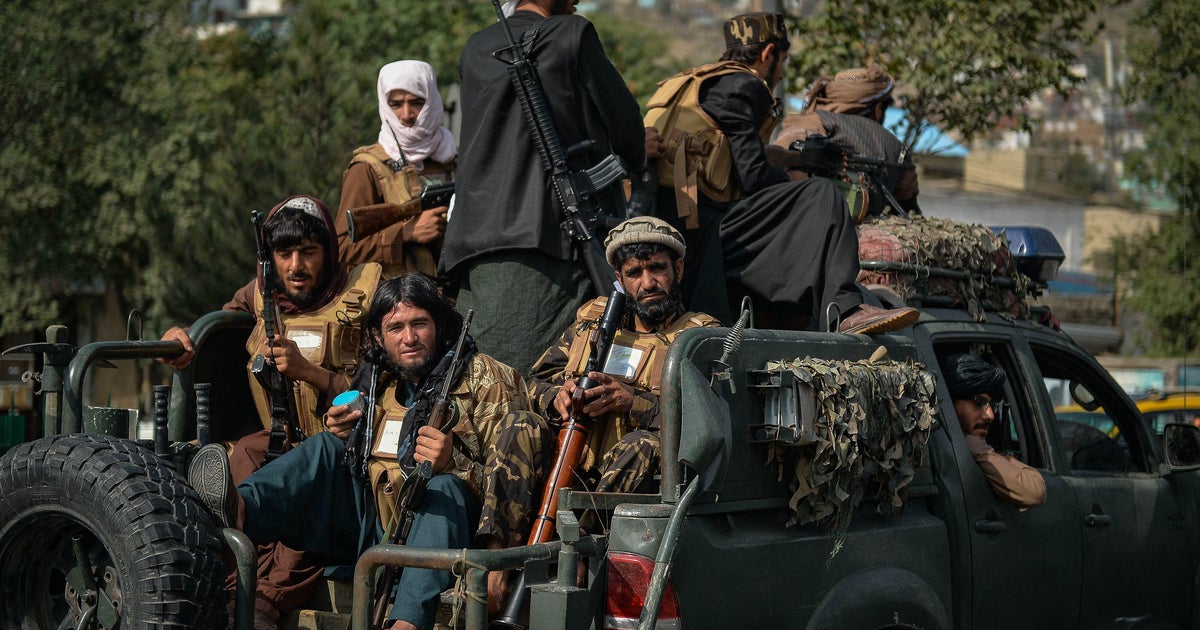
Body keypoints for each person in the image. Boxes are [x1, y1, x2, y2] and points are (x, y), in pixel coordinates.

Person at [189, 273, 548, 630]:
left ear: (438, 325)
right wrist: (344, 432)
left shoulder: (487, 379)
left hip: (446, 537)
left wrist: (453, 464)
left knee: (443, 489)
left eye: (420, 324)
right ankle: (240, 510)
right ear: (378, 335)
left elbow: (513, 489)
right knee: (325, 449)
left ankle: (407, 622)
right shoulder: (377, 379)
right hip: (372, 525)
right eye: (396, 328)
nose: (409, 338)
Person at [161, 195, 382, 629]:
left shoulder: (366, 295)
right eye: (285, 254)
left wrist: (311, 373)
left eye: (308, 252)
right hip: (279, 441)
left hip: (347, 456)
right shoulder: (261, 294)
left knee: (309, 475)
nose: (296, 266)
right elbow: (220, 327)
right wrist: (180, 337)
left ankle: (264, 601)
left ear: (328, 253)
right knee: (243, 454)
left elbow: (382, 391)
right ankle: (222, 580)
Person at [644, 12, 919, 333]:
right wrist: (796, 187)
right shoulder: (745, 85)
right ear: (768, 54)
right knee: (822, 195)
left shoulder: (698, 82)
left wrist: (790, 159)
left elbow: (733, 152)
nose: (780, 73)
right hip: (706, 231)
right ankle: (845, 309)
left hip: (672, 220)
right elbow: (754, 177)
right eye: (783, 60)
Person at [442, 0, 648, 373]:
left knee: (481, 381)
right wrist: (642, 158)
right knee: (537, 384)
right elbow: (626, 126)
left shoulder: (474, 47)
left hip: (475, 245)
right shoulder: (572, 33)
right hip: (550, 241)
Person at [528, 217, 720, 499]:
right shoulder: (592, 322)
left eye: (657, 268)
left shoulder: (698, 339)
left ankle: (593, 537)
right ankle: (503, 542)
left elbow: (708, 422)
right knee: (518, 423)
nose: (648, 283)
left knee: (642, 444)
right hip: (569, 456)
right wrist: (557, 396)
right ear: (619, 279)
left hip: (638, 479)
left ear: (677, 269)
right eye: (634, 273)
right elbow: (536, 381)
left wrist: (634, 402)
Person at [336, 60, 455, 279]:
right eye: (396, 104)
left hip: (456, 296)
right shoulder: (368, 168)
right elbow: (342, 247)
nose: (407, 114)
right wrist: (404, 234)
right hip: (399, 305)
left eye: (417, 102)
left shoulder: (452, 159)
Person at [774, 65, 920, 216]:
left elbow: (775, 173)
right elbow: (909, 211)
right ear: (878, 109)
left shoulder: (809, 123)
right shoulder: (898, 148)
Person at [942, 353, 1046, 510]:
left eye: (992, 405)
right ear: (949, 403)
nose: (990, 415)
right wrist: (975, 446)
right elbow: (1034, 492)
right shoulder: (963, 446)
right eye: (978, 402)